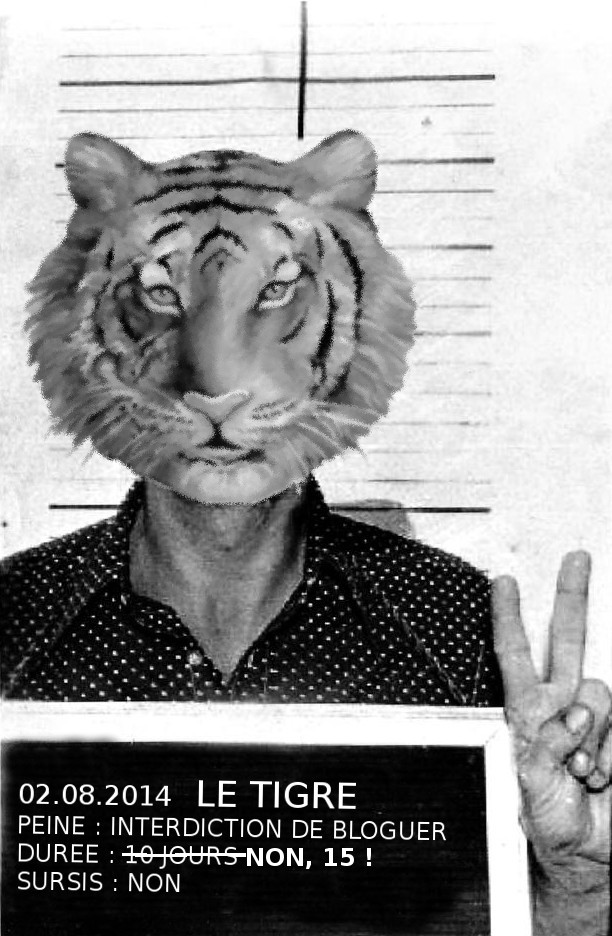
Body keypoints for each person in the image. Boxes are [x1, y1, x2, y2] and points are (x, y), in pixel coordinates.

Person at [1, 130, 610, 933]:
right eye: (160, 294)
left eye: (278, 292)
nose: (217, 379)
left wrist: (577, 884)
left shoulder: (456, 626)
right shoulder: (13, 618)